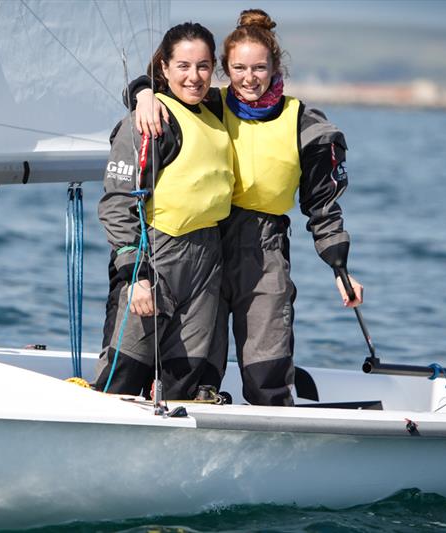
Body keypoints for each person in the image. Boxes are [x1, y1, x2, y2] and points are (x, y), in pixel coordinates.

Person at [127, 9, 364, 406]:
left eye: (259, 68)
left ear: (275, 66)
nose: (249, 78)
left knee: (264, 371)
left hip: (265, 250)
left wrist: (340, 269)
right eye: (239, 68)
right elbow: (160, 82)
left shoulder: (304, 122)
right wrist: (143, 94)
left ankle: (275, 437)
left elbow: (322, 205)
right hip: (208, 246)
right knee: (196, 367)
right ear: (225, 68)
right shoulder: (210, 105)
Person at [94, 22, 235, 400]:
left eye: (203, 66)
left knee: (184, 384)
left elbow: (259, 97)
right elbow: (116, 205)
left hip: (206, 263)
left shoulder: (216, 111)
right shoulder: (149, 121)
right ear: (165, 68)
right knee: (122, 377)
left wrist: (140, 90)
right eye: (184, 66)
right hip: (156, 257)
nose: (194, 77)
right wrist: (136, 276)